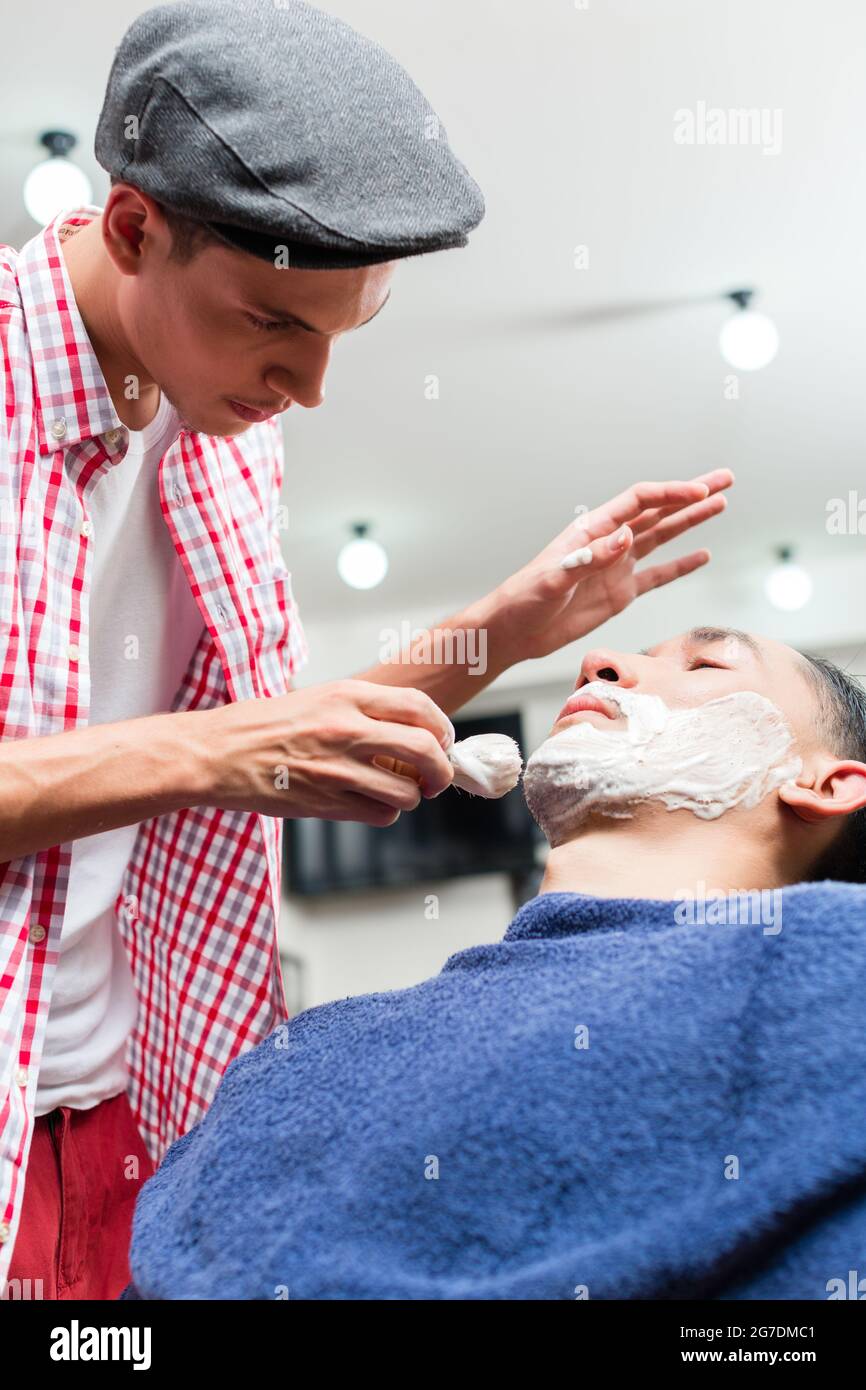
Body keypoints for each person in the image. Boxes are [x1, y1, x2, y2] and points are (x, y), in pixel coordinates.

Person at [0, 0, 732, 1298]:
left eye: (346, 332)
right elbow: (231, 751)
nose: (311, 388)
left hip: (127, 1114)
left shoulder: (221, 426)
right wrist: (231, 746)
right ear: (131, 227)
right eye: (275, 322)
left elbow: (271, 751)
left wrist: (500, 630)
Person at [119, 626, 866, 1300]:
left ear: (826, 783)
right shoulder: (300, 1052)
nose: (599, 663)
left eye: (705, 660)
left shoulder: (838, 966)